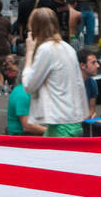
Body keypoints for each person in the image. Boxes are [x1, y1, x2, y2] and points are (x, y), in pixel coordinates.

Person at [22, 8, 89, 137]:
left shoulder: (46, 50)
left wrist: (29, 53)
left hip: (60, 124)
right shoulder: (67, 47)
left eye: (30, 31)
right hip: (71, 120)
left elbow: (29, 85)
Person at [6, 63, 47, 136]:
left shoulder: (29, 89)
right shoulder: (22, 93)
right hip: (21, 136)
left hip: (27, 131)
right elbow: (27, 126)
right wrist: (51, 131)